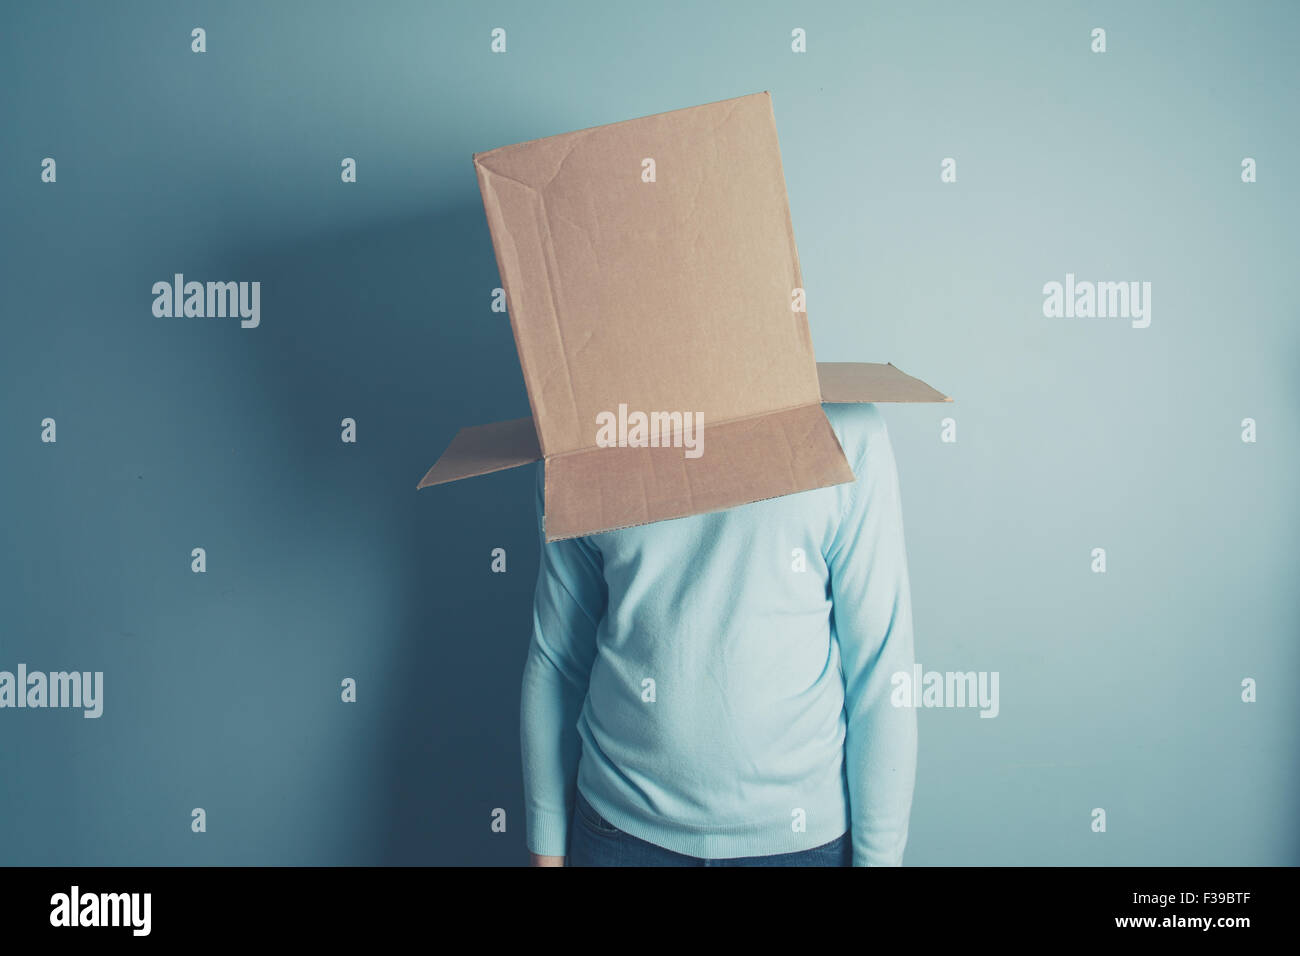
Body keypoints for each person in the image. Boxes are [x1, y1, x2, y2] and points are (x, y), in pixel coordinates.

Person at [521, 401, 917, 867]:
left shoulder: (846, 432)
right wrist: (546, 848)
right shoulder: (584, 438)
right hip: (619, 829)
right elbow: (558, 660)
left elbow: (881, 668)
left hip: (798, 840)